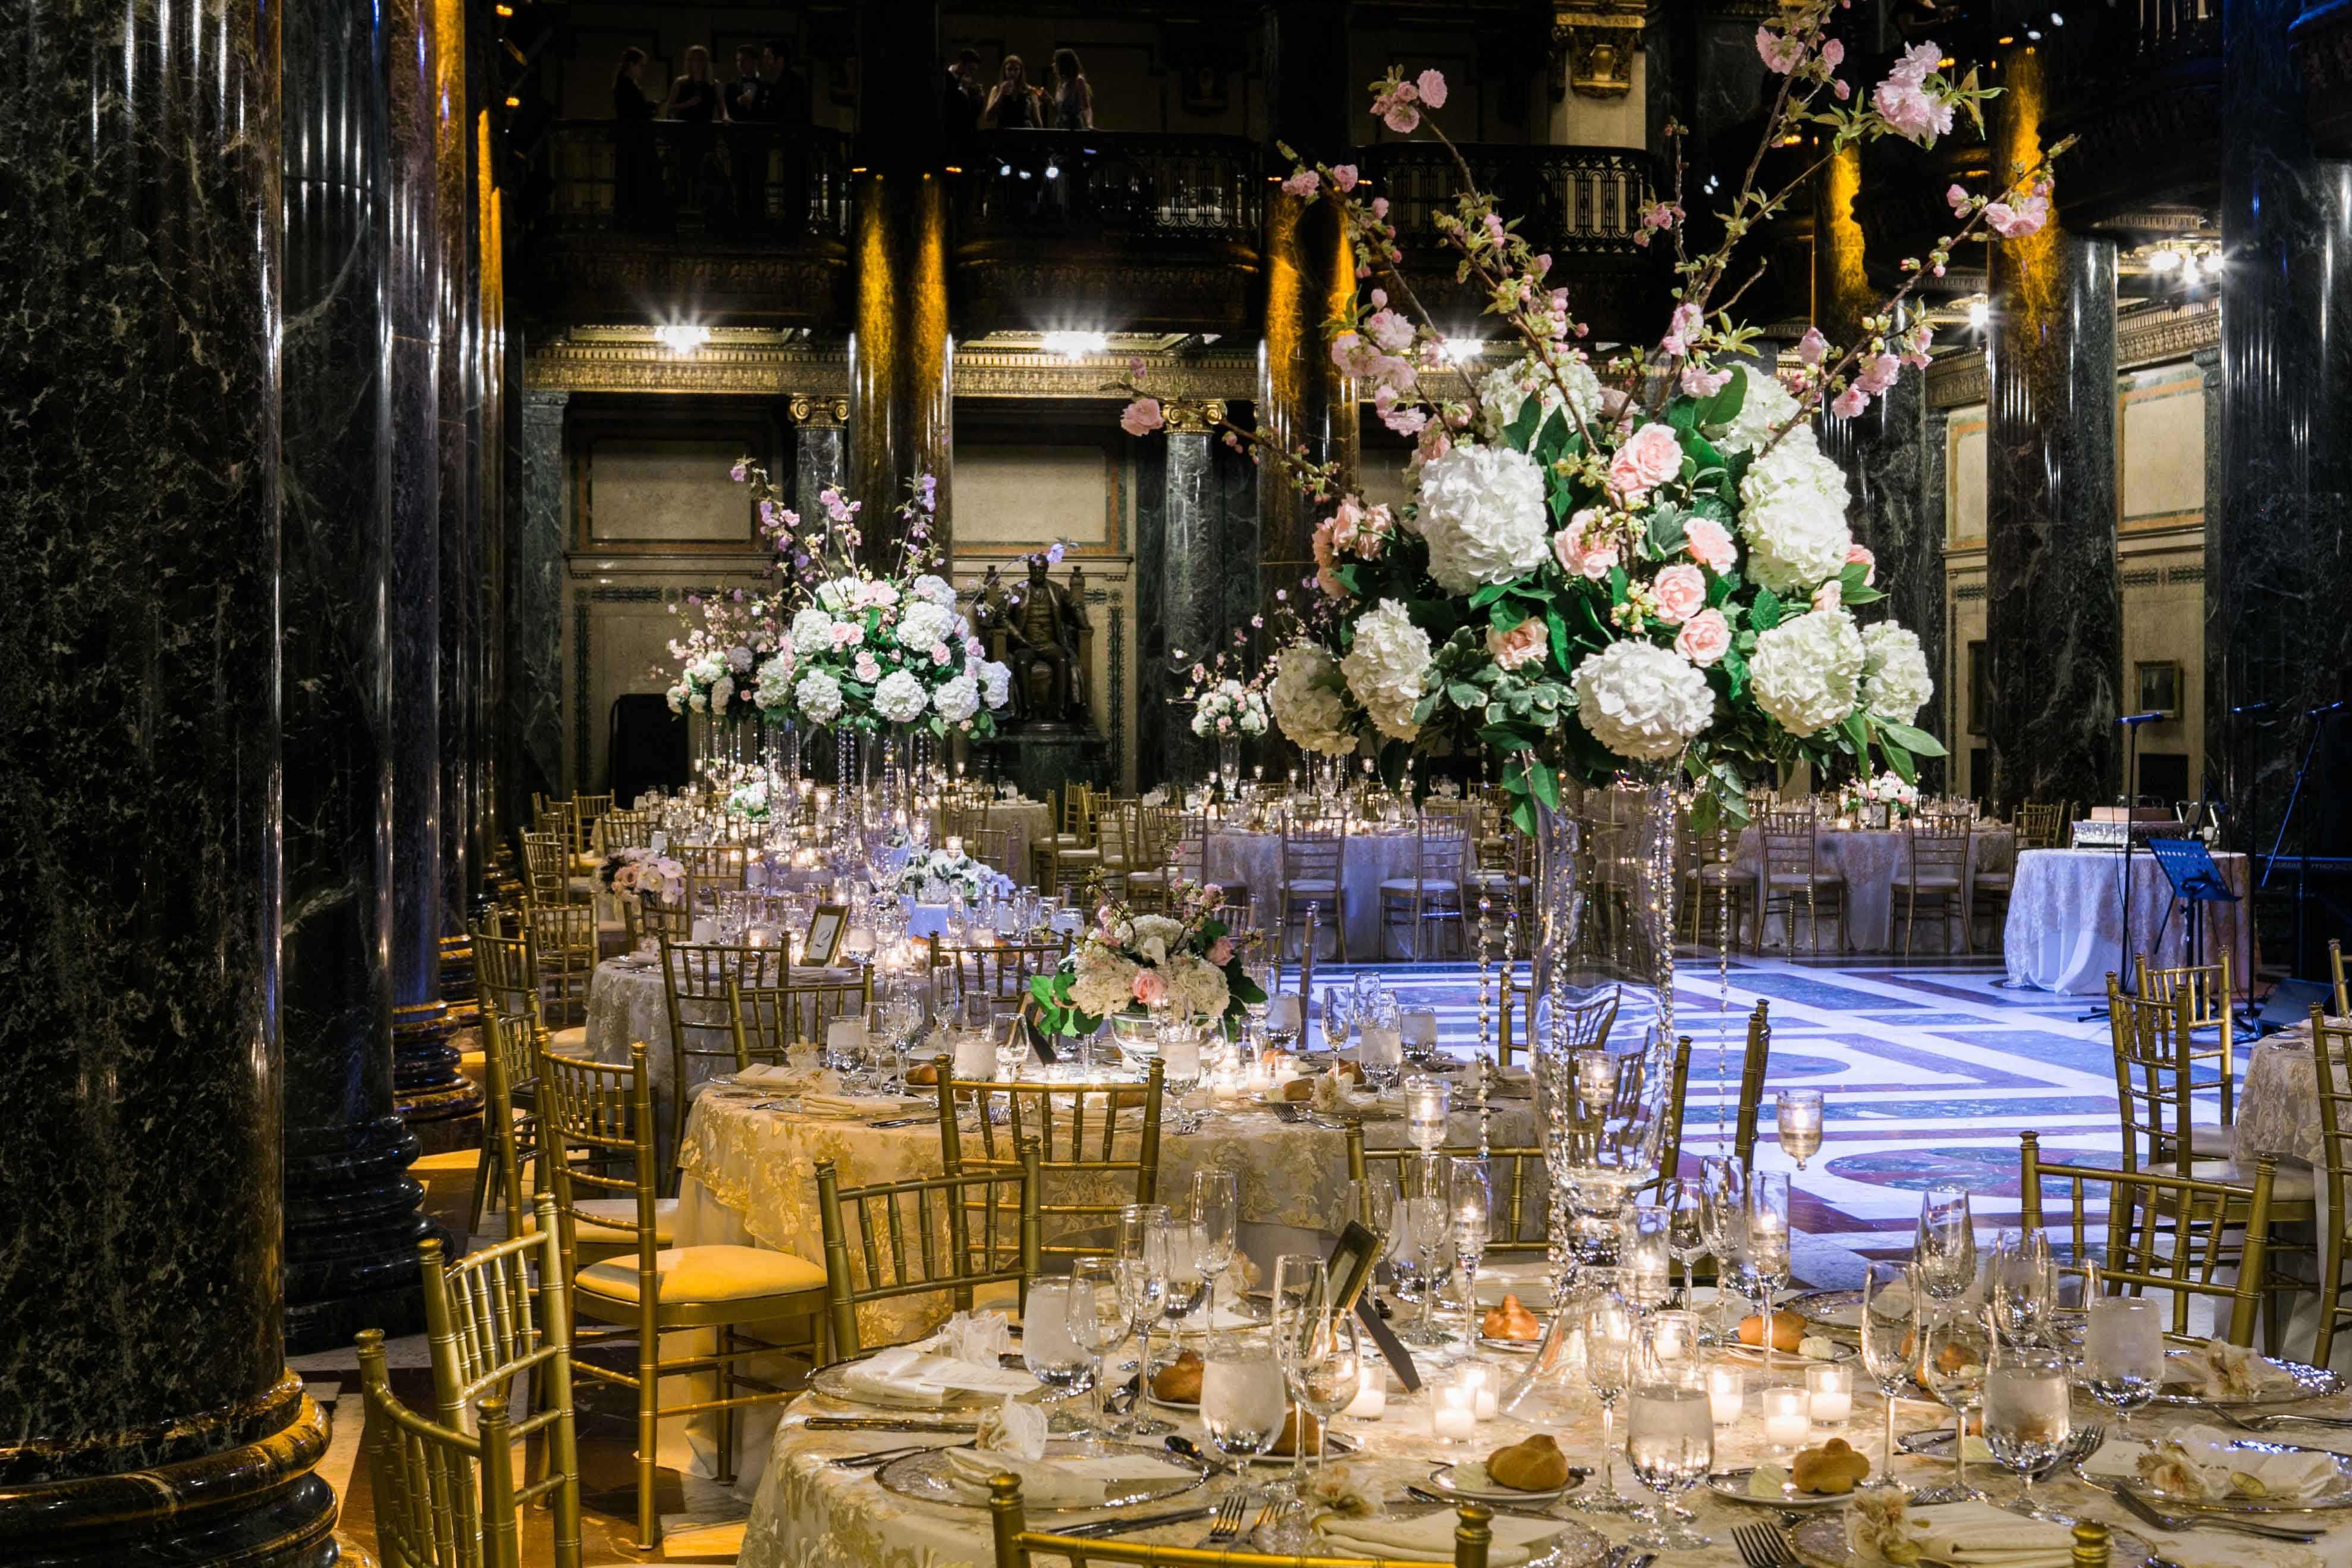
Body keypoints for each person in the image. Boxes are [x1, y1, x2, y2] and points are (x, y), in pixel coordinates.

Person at [662, 44, 727, 225]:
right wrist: (688, 104)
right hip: (683, 136)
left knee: (705, 178)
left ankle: (707, 219)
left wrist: (726, 119)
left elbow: (723, 109)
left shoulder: (713, 85)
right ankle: (676, 219)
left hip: (704, 136)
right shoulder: (681, 82)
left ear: (703, 63)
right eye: (689, 60)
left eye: (695, 60)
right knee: (679, 176)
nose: (691, 63)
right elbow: (669, 108)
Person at [611, 47, 665, 232]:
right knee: (637, 181)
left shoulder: (626, 84)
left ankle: (635, 220)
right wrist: (649, 109)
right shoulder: (626, 85)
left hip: (633, 141)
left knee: (635, 182)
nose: (642, 70)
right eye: (641, 66)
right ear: (631, 65)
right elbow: (633, 113)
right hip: (634, 142)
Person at [764, 37, 812, 236]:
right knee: (793, 180)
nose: (766, 61)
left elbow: (787, 112)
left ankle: (793, 223)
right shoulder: (790, 80)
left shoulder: (788, 82)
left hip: (793, 140)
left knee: (794, 180)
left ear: (780, 60)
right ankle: (794, 221)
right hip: (793, 140)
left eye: (769, 57)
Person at [724, 43, 770, 235]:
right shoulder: (732, 86)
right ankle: (741, 225)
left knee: (758, 184)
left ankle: (758, 225)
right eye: (738, 61)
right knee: (740, 183)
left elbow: (770, 115)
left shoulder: (767, 86)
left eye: (744, 60)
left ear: (754, 62)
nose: (740, 64)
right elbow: (729, 112)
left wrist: (754, 106)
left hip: (759, 143)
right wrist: (738, 103)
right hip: (739, 143)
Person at [985, 54, 1041, 129]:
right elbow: (988, 117)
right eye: (1009, 69)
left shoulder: (1029, 90)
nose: (1013, 73)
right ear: (1004, 71)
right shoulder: (996, 90)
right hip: (1004, 133)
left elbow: (1037, 120)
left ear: (1021, 71)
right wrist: (1000, 94)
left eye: (1016, 70)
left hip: (1026, 133)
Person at [1045, 48, 1092, 130]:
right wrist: (1049, 100)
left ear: (1063, 64)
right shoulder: (1060, 83)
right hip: (1060, 128)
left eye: (1055, 62)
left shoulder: (1078, 82)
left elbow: (1086, 107)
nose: (1053, 65)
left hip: (1074, 129)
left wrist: (1089, 125)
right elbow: (1060, 111)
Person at [943, 48, 984, 140]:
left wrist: (980, 96)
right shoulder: (943, 78)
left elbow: (977, 111)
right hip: (951, 134)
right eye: (970, 69)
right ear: (961, 63)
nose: (972, 73)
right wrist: (963, 90)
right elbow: (950, 107)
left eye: (974, 70)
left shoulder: (970, 80)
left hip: (968, 135)